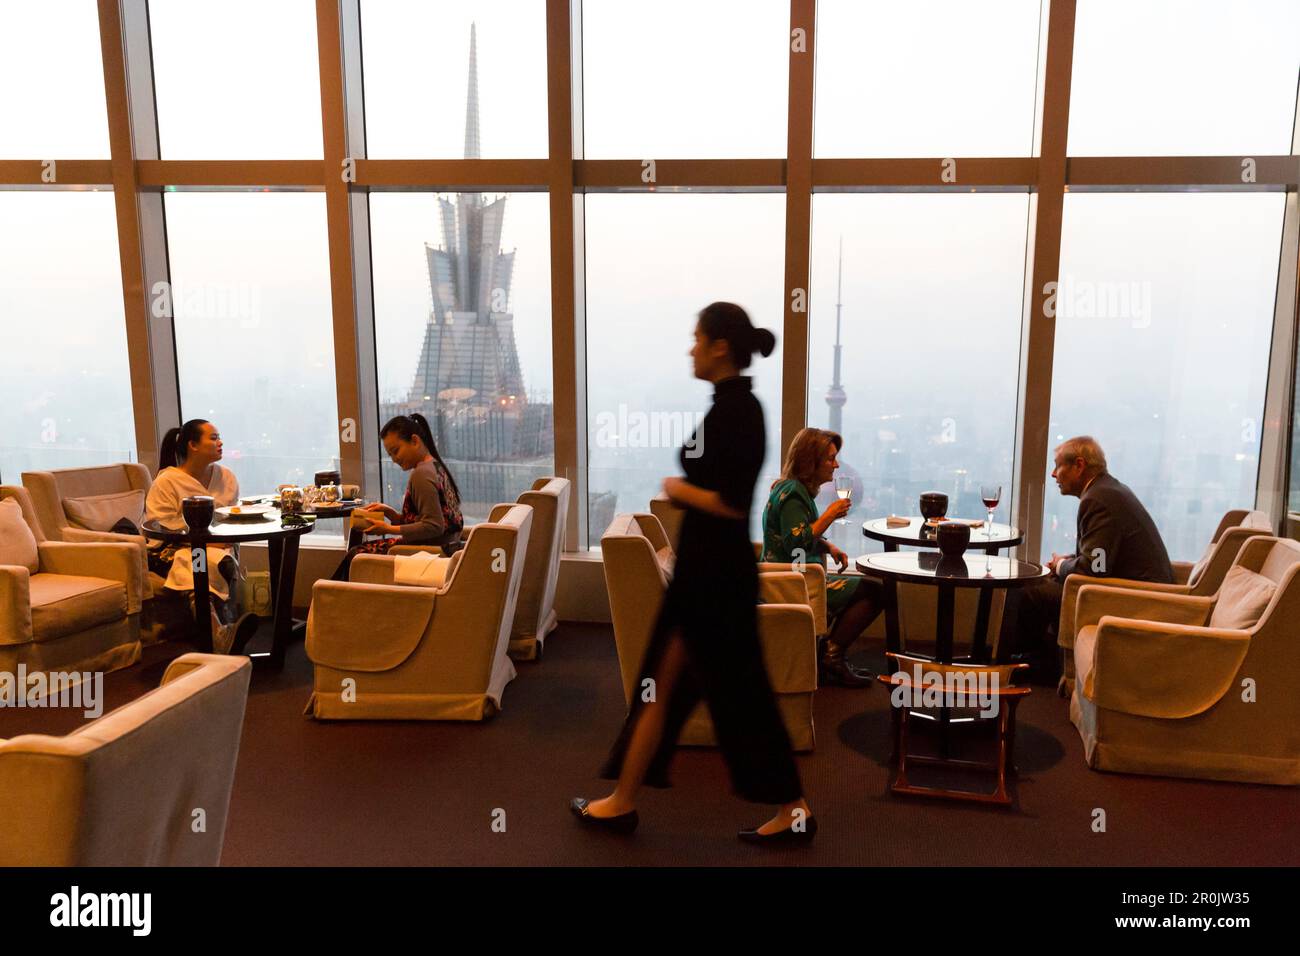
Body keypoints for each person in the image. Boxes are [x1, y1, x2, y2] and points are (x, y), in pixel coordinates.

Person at [571, 302, 816, 846]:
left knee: (732, 695)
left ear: (719, 346)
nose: (691, 348)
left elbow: (730, 503)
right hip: (709, 573)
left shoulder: (738, 411)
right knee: (666, 689)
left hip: (714, 578)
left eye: (696, 339)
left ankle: (791, 809)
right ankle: (622, 800)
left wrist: (679, 491)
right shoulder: (733, 406)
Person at [1006, 435, 1174, 680]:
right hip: (1136, 589)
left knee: (1025, 590)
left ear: (1079, 466)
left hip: (1136, 600)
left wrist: (1062, 564)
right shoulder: (1107, 490)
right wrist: (1067, 561)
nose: (1053, 474)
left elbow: (1093, 571)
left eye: (1058, 465)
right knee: (1044, 584)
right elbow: (1101, 556)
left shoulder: (1097, 499)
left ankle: (1022, 663)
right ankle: (1032, 659)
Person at [761, 427, 883, 687]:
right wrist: (829, 515)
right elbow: (797, 542)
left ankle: (827, 653)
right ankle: (832, 656)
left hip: (792, 575)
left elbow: (795, 535)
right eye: (830, 458)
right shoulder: (794, 494)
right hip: (793, 581)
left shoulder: (791, 488)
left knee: (868, 589)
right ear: (810, 461)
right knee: (875, 592)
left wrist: (828, 547)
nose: (836, 465)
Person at [146, 419, 258, 655]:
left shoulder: (226, 477)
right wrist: (205, 541)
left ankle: (219, 635)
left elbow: (232, 516)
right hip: (173, 551)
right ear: (193, 445)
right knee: (199, 560)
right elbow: (160, 525)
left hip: (220, 547)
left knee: (209, 558)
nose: (220, 443)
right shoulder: (167, 482)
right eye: (214, 438)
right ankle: (219, 634)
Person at [331, 412, 463, 581]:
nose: (394, 459)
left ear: (415, 441)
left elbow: (434, 526)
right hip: (444, 547)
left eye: (396, 451)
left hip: (428, 552)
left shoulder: (422, 474)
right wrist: (392, 514)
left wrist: (387, 529)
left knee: (356, 555)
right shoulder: (435, 467)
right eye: (390, 455)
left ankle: (333, 600)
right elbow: (433, 520)